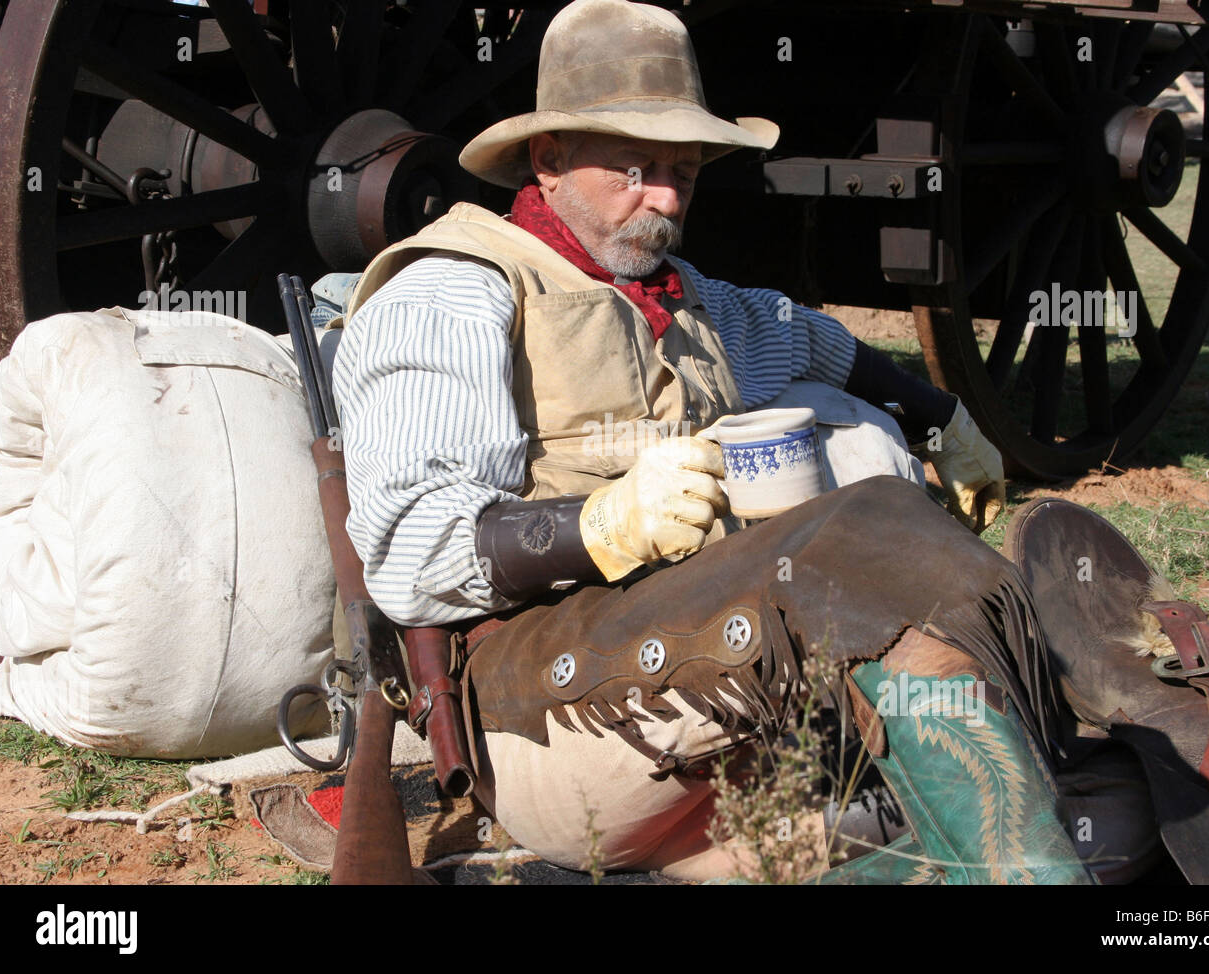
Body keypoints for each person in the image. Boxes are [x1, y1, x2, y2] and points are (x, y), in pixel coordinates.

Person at [329, 0, 1090, 882]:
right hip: (533, 709)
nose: (663, 199)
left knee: (877, 515)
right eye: (635, 168)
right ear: (549, 159)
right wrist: (603, 525)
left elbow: (810, 339)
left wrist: (939, 416)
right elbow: (406, 553)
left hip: (701, 672)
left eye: (683, 172)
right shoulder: (453, 292)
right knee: (866, 546)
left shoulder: (681, 294)